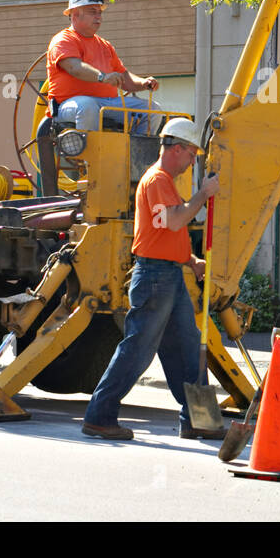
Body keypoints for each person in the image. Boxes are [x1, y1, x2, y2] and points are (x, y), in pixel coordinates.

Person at [81, 117, 225, 441]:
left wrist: (189, 260)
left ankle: (199, 420)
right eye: (191, 155)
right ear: (176, 149)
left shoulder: (163, 182)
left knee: (188, 349)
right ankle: (99, 416)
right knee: (137, 350)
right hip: (156, 277)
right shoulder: (157, 180)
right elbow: (174, 222)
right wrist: (203, 194)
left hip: (167, 274)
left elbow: (161, 232)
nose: (192, 162)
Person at [46, 0, 159, 136]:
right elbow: (75, 68)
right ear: (75, 14)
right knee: (87, 106)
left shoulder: (105, 45)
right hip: (68, 105)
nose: (98, 16)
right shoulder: (63, 40)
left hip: (107, 103)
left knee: (153, 110)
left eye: (100, 12)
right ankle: (87, 157)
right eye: (93, 12)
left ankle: (135, 155)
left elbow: (124, 77)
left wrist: (143, 83)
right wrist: (103, 77)